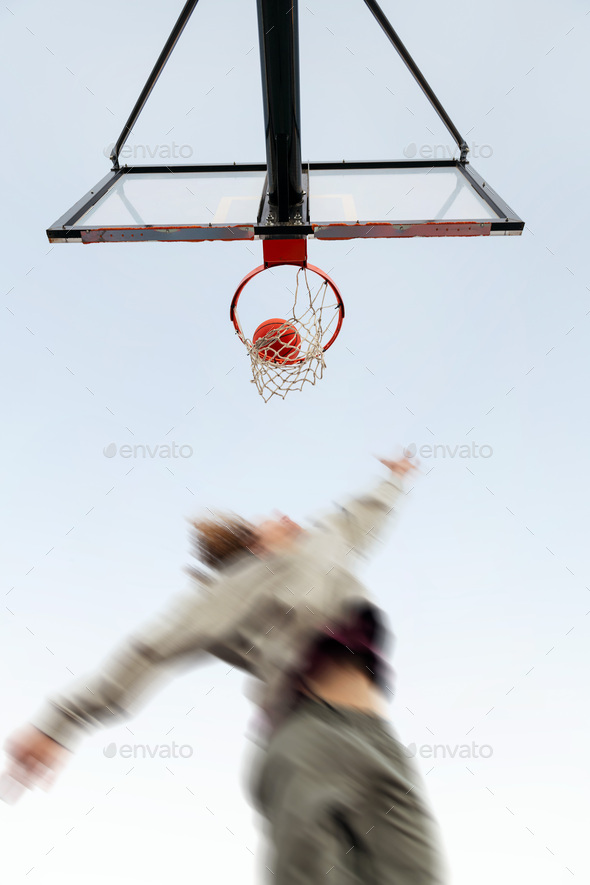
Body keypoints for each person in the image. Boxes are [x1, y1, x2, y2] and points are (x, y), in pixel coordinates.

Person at [1, 452, 447, 883]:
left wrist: (394, 479)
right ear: (255, 546)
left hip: (378, 738)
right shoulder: (240, 583)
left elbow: (361, 516)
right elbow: (153, 649)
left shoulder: (328, 542)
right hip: (308, 739)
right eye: (268, 522)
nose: (284, 516)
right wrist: (62, 721)